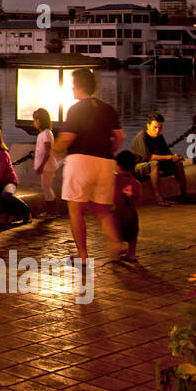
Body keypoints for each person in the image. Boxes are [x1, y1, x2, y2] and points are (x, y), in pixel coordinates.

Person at [51, 68, 125, 265]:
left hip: (80, 161)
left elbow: (67, 137)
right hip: (106, 162)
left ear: (80, 86)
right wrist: (108, 151)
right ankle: (116, 243)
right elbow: (119, 137)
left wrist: (54, 150)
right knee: (102, 209)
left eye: (74, 84)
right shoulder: (108, 109)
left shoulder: (76, 109)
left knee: (76, 210)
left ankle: (83, 255)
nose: (72, 88)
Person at [130, 111, 191, 206]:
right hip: (138, 168)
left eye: (160, 128)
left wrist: (176, 157)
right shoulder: (142, 137)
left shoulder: (159, 137)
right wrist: (170, 157)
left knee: (178, 164)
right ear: (148, 126)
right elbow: (150, 157)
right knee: (155, 163)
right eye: (155, 127)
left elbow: (167, 153)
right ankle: (158, 197)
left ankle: (184, 194)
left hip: (154, 167)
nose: (157, 131)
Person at [32, 108, 63, 220]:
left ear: (40, 120)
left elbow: (47, 151)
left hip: (47, 166)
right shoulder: (44, 133)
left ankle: (52, 211)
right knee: (46, 187)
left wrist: (41, 165)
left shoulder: (46, 134)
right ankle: (51, 210)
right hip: (46, 166)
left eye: (35, 119)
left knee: (47, 187)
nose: (33, 122)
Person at [114, 151, 143, 266]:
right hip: (131, 213)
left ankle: (116, 254)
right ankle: (131, 254)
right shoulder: (135, 182)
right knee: (132, 235)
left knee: (117, 234)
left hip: (117, 213)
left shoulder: (115, 179)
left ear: (118, 165)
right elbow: (138, 198)